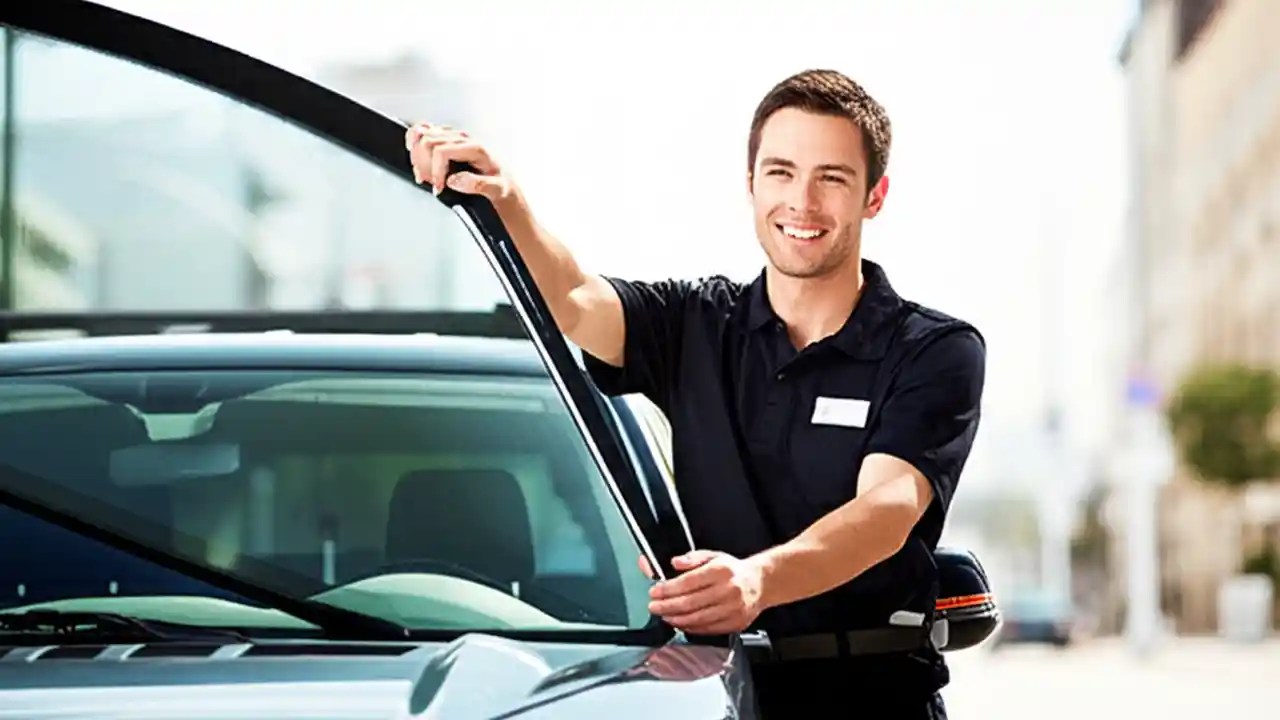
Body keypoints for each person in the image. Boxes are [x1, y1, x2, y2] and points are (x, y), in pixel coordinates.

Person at [405, 68, 984, 719]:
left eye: (833, 178)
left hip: (877, 701)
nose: (802, 201)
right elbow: (572, 296)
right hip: (716, 698)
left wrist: (758, 580)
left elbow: (886, 510)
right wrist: (505, 201)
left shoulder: (933, 350)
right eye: (781, 172)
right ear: (751, 184)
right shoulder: (694, 324)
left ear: (873, 197)